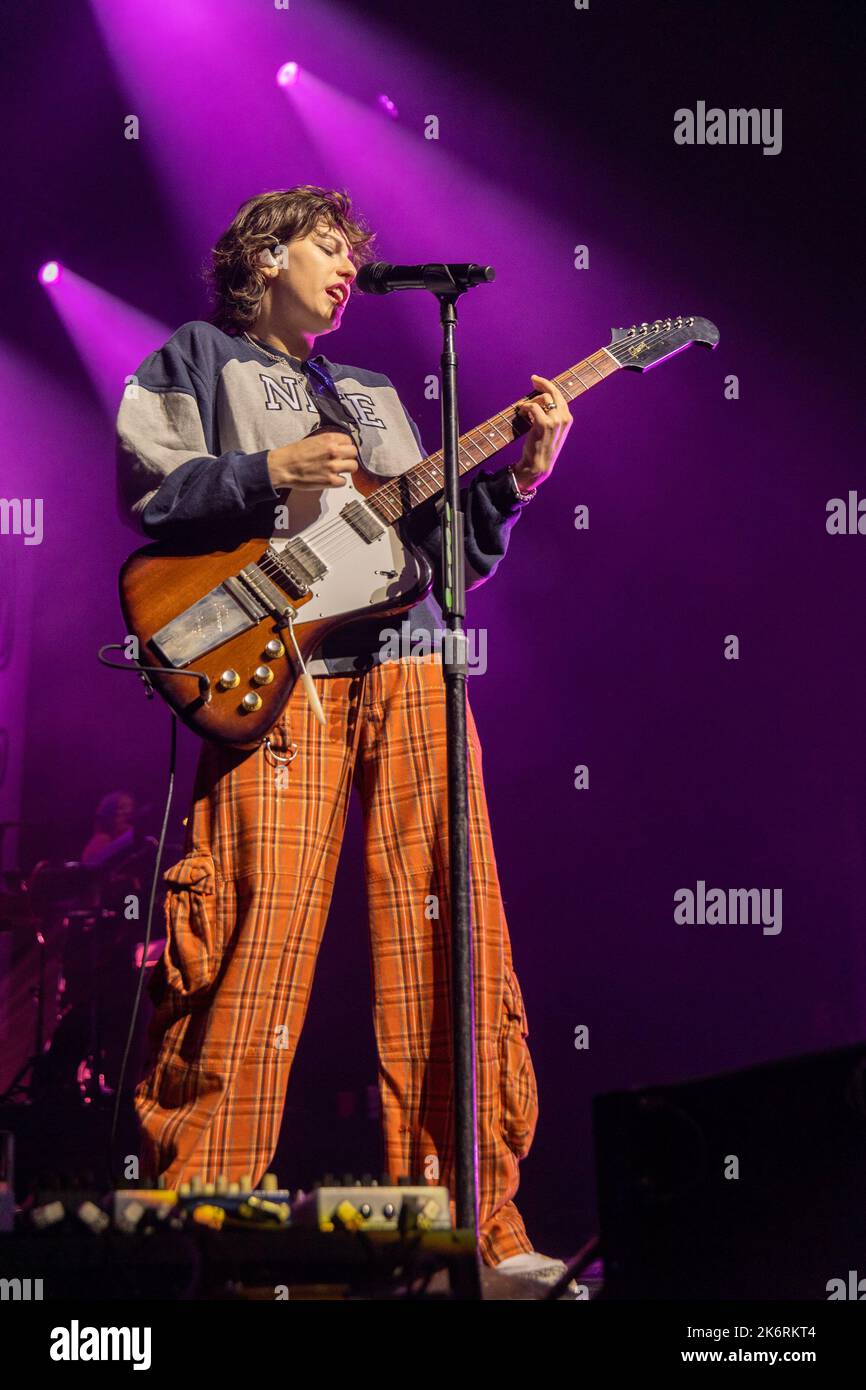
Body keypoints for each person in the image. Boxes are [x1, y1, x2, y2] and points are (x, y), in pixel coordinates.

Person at [115, 185, 573, 1276]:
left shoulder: (370, 392)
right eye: (327, 246)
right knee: (248, 932)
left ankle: (469, 1232)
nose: (345, 267)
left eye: (351, 251)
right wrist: (270, 470)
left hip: (409, 659)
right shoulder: (193, 356)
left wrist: (514, 478)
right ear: (264, 253)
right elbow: (148, 494)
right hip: (282, 671)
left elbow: (433, 556)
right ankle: (197, 1233)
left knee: (450, 922)